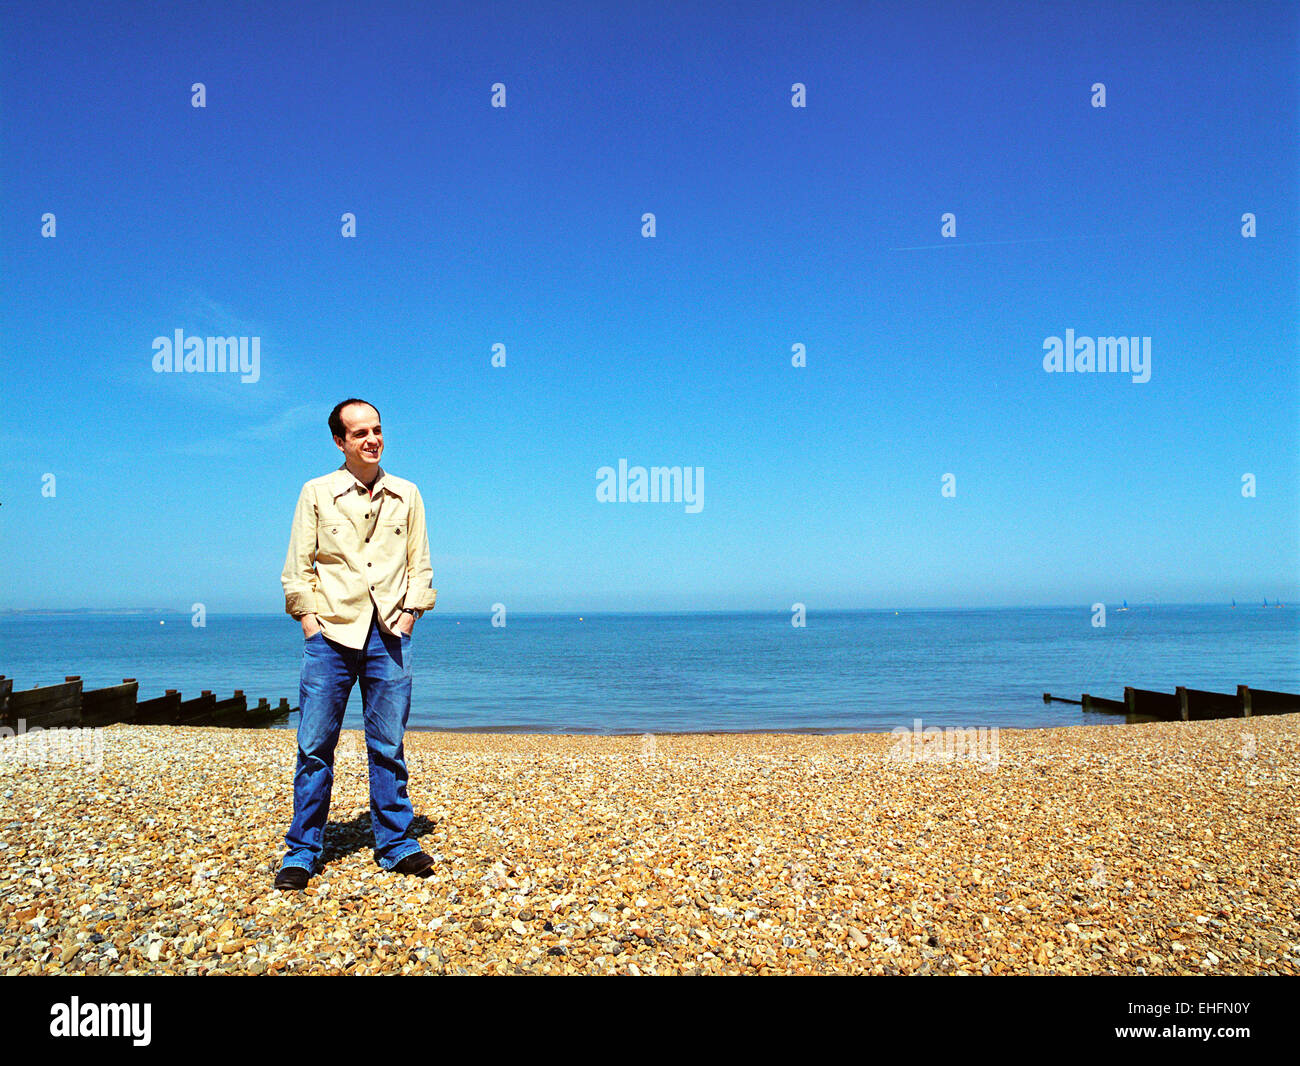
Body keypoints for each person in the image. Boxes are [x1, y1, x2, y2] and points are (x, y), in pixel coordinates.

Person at [274, 398, 438, 889]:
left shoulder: (407, 493)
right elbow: (297, 567)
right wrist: (308, 620)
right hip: (331, 633)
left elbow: (420, 563)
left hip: (389, 633)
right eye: (360, 432)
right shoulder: (316, 492)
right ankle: (302, 850)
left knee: (387, 745)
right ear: (339, 441)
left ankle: (395, 843)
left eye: (377, 430)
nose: (372, 439)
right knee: (314, 746)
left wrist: (410, 616)